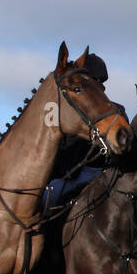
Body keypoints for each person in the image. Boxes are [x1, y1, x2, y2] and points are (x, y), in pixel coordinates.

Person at [43, 54, 116, 209]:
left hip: (87, 174)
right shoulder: (117, 110)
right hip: (99, 174)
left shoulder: (114, 111)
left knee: (46, 200)